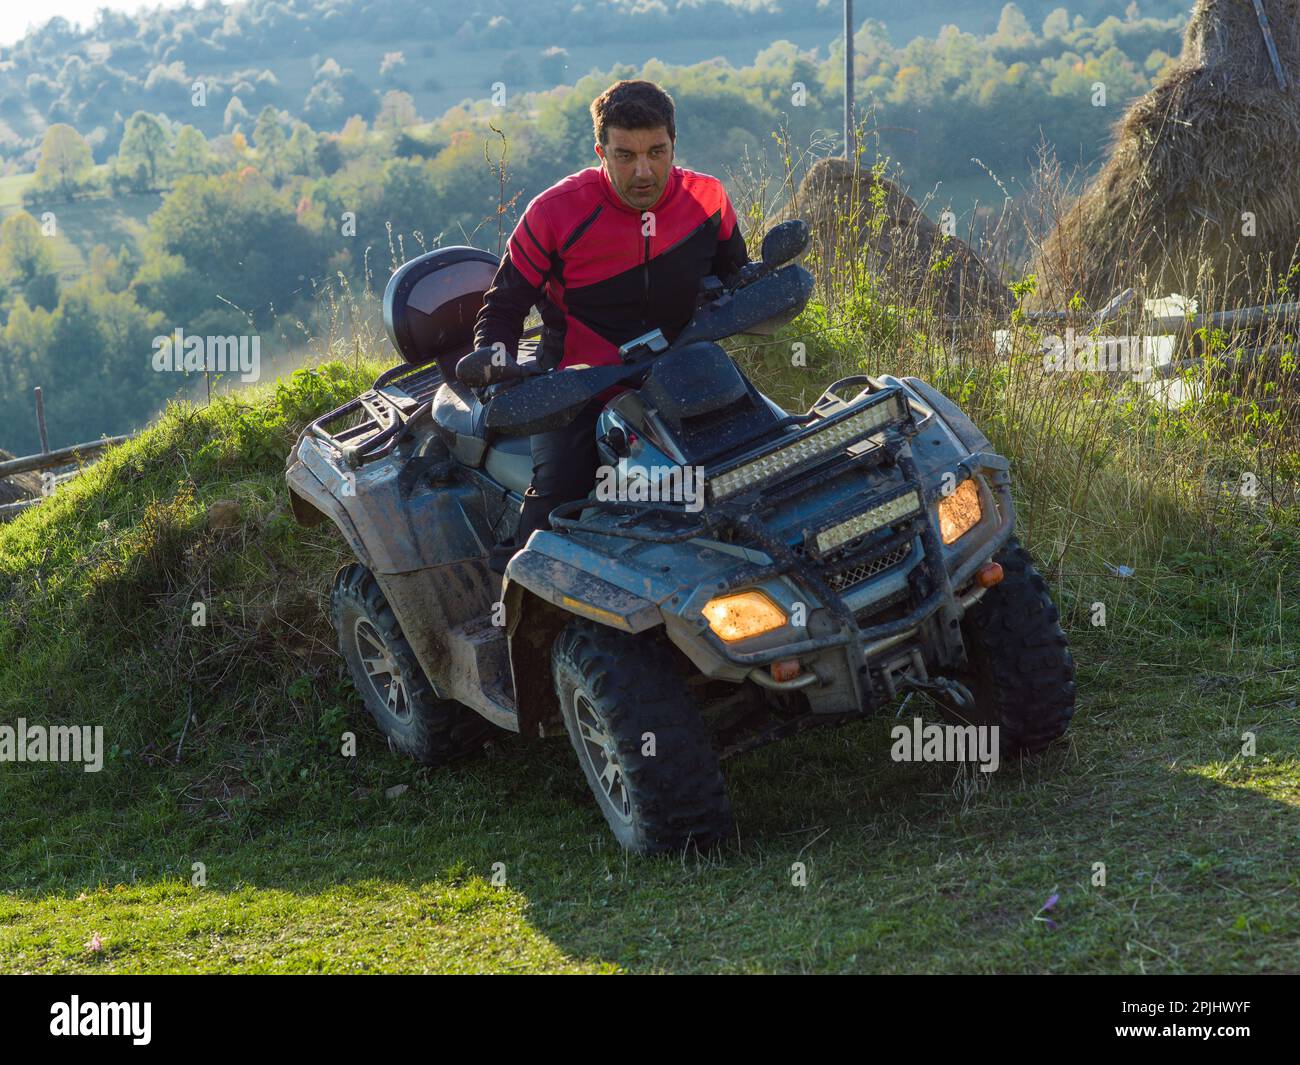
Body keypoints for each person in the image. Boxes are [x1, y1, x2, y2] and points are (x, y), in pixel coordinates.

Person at [470, 79, 749, 573]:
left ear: (673, 145)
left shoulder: (707, 198)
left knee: (761, 461)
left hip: (687, 373)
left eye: (656, 152)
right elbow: (505, 305)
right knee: (558, 505)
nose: (644, 171)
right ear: (601, 151)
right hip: (581, 387)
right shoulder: (555, 213)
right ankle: (512, 600)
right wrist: (495, 359)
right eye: (625, 155)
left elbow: (735, 276)